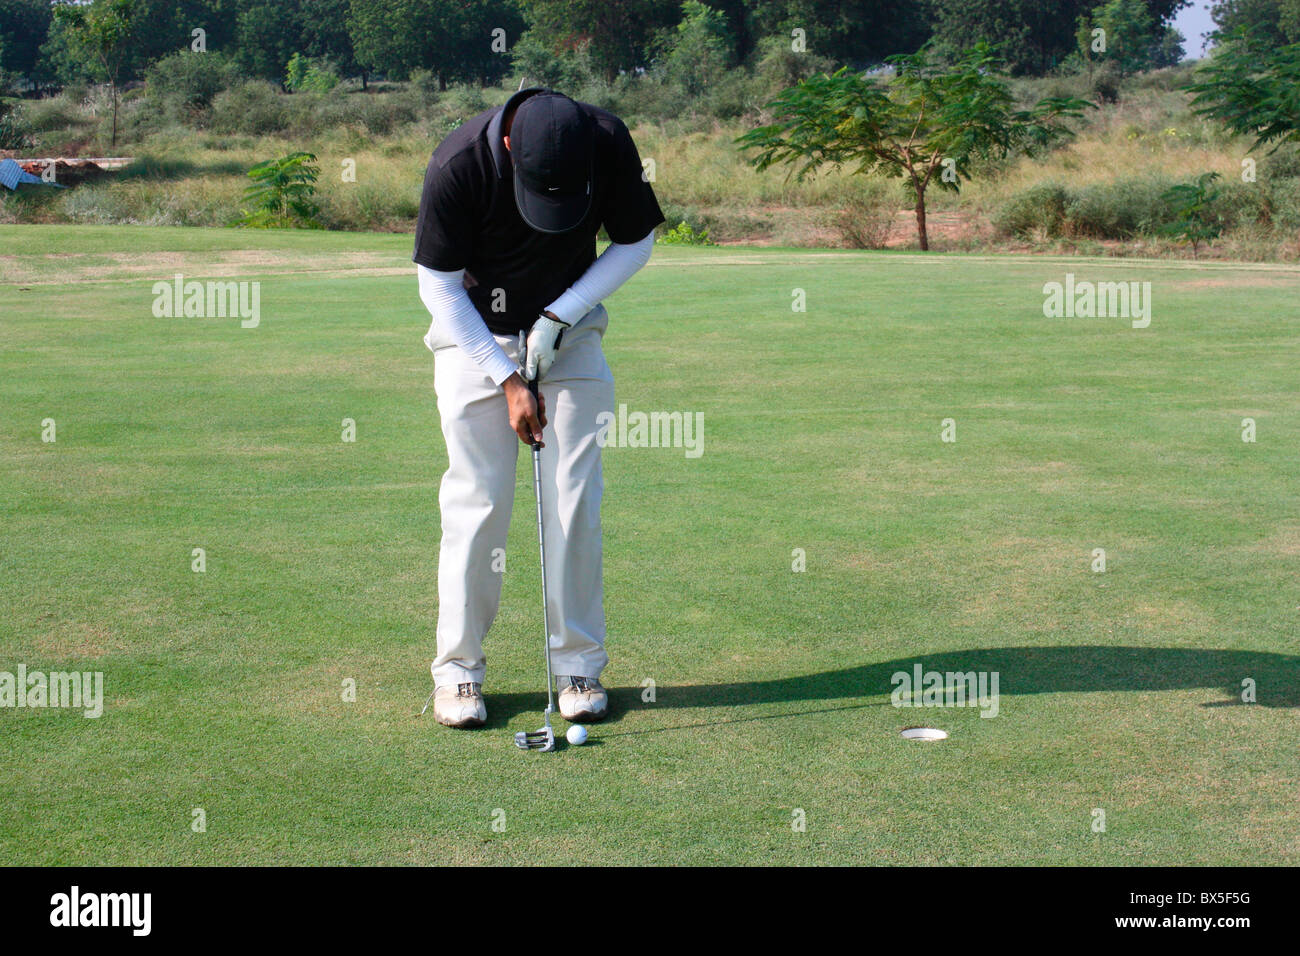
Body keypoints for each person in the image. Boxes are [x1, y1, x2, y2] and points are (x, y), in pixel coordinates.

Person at [414, 87, 664, 729]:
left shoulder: (604, 141)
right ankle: (459, 674)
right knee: (478, 503)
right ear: (506, 148)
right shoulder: (458, 163)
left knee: (573, 500)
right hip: (474, 333)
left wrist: (560, 315)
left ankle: (578, 665)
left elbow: (636, 242)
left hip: (569, 327)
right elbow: (438, 287)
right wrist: (506, 376)